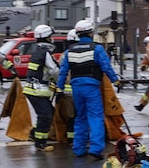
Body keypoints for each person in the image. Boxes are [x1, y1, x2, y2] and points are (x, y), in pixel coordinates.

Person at [55, 19, 120, 159]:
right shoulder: (96, 48)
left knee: (80, 117)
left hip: (76, 88)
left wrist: (59, 88)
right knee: (95, 116)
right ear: (90, 33)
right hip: (91, 87)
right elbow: (106, 67)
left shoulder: (69, 51)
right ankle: (96, 149)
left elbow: (63, 71)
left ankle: (79, 149)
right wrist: (116, 80)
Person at [23, 24, 60, 151]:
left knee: (46, 113)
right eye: (50, 36)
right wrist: (59, 81)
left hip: (32, 88)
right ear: (48, 38)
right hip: (37, 89)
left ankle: (34, 134)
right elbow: (54, 71)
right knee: (46, 115)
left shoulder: (37, 52)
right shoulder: (46, 53)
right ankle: (40, 142)